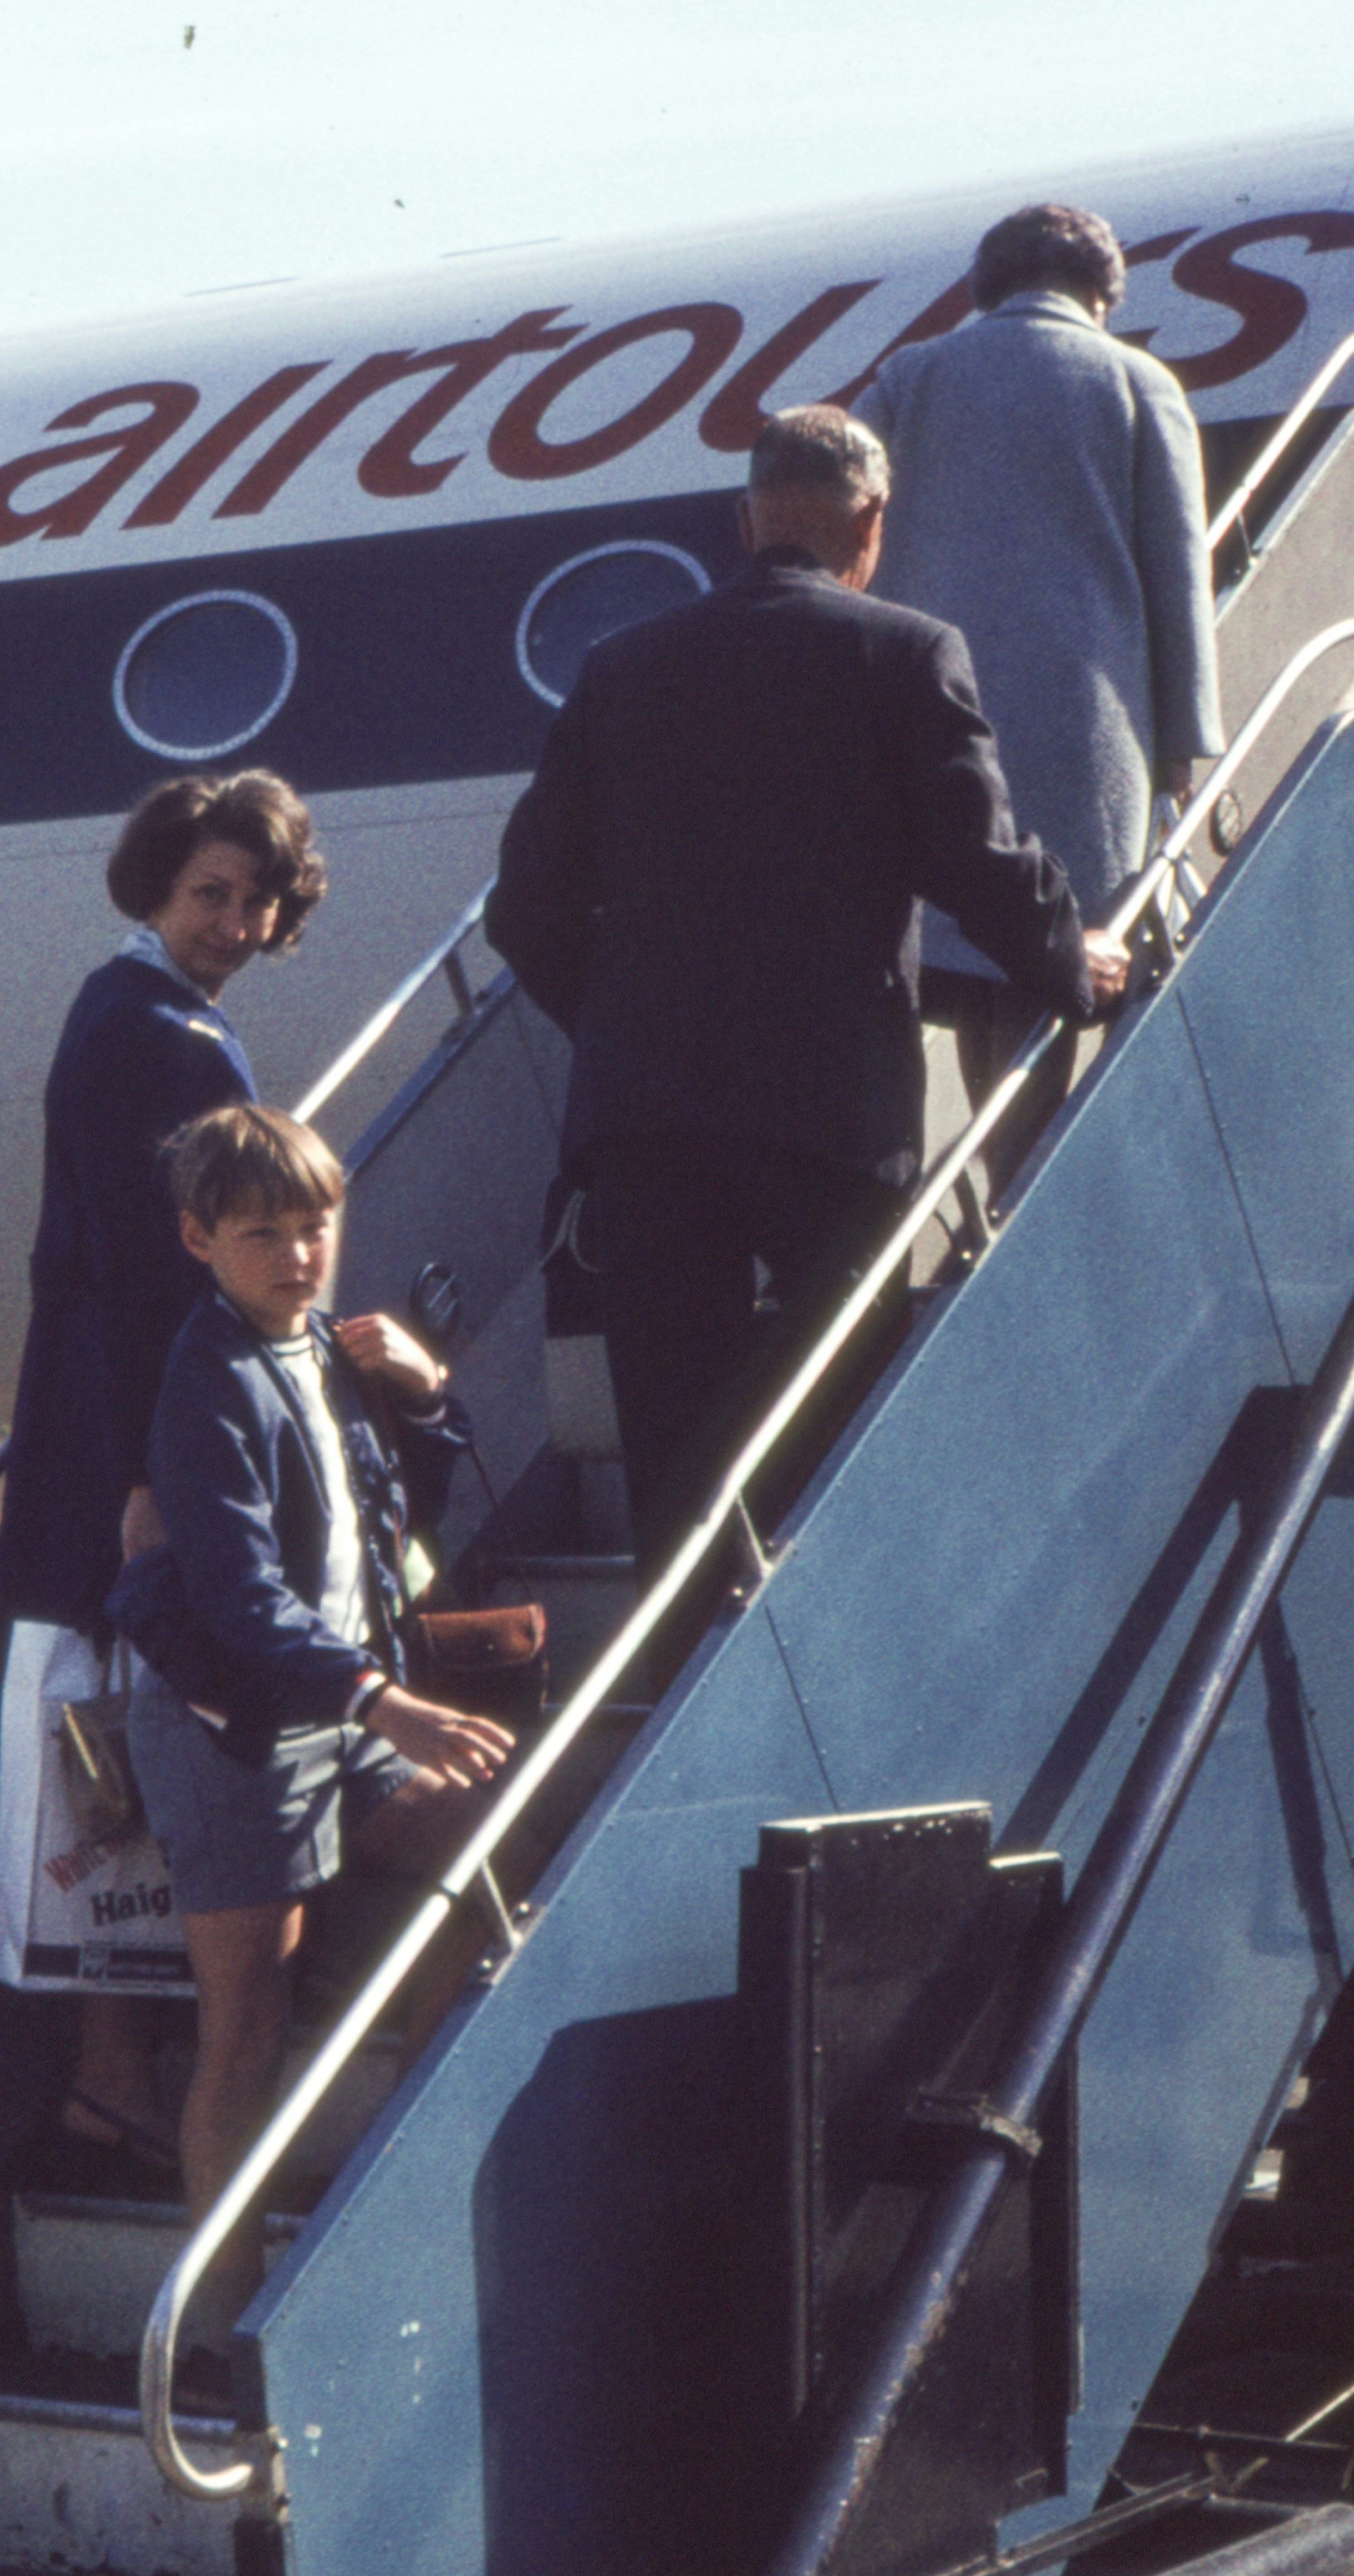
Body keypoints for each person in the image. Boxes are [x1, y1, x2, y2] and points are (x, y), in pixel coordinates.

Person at [486, 402, 1131, 1591]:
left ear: (745, 518)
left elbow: (520, 911)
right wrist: (1070, 966)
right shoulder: (906, 651)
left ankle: (684, 1681)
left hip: (648, 1122)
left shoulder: (621, 668)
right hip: (829, 1111)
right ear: (870, 523)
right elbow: (977, 858)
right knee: (843, 1404)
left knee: (677, 1444)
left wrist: (630, 1032)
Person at [108, 1104, 517, 2353]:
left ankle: (396, 2169)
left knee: (484, 1846)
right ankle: (217, 2319)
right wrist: (381, 1698)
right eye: (262, 1234)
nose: (296, 1255)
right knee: (245, 2023)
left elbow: (401, 1518)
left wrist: (429, 1390)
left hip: (336, 1703)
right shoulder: (209, 1380)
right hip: (236, 1727)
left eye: (314, 1227)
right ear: (200, 1239)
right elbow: (236, 1599)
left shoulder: (319, 1347)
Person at [0, 771, 328, 2162]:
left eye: (257, 900)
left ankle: (114, 2068)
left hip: (76, 1423)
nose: (234, 922)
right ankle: (117, 2067)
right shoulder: (163, 1038)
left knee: (98, 1757)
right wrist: (146, 1470)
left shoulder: (114, 1005)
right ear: (155, 887)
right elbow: (143, 1278)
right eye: (209, 894)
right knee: (128, 1751)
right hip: (127, 1438)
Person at [853, 202, 1223, 1181]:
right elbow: (1177, 580)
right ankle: (1031, 1189)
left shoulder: (909, 376)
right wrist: (1185, 745)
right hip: (1082, 738)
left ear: (987, 287)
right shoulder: (1140, 382)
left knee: (950, 961)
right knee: (1052, 965)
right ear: (1103, 293)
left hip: (925, 727)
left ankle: (977, 1186)